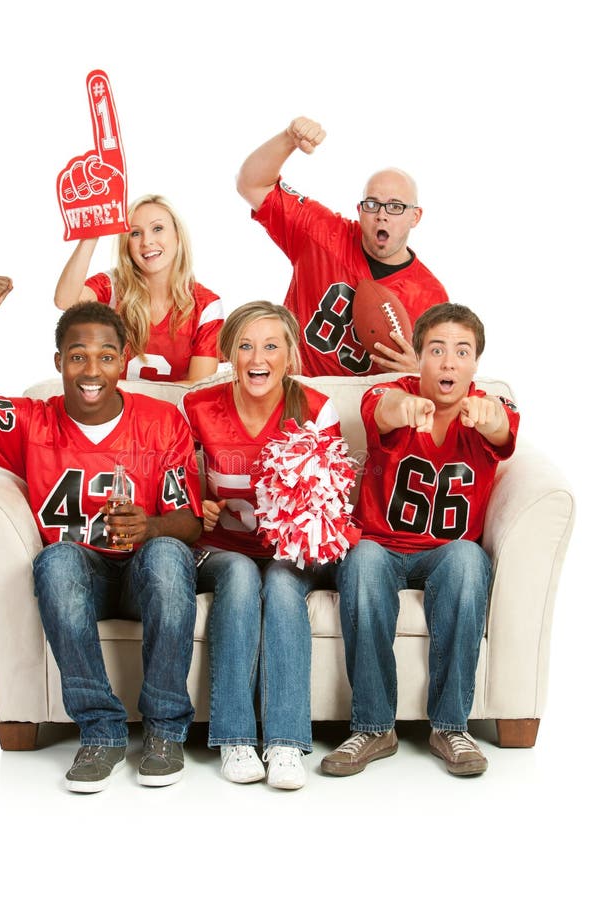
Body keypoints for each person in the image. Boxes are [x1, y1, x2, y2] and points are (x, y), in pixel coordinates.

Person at [0, 276, 203, 792]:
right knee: (56, 560)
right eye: (77, 356)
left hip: (143, 571)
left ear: (124, 361)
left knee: (166, 553)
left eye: (105, 356)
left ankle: (164, 728)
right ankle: (100, 729)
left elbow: (191, 523)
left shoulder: (162, 421)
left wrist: (152, 524)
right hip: (81, 580)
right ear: (58, 363)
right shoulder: (32, 420)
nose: (91, 370)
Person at [322, 302, 519, 778]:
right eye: (436, 350)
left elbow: (503, 429)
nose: (448, 362)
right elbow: (383, 412)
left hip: (446, 554)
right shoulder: (389, 393)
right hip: (382, 545)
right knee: (362, 560)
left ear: (475, 364)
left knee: (471, 561)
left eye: (461, 351)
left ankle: (451, 725)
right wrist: (404, 408)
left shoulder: (492, 405)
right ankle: (373, 726)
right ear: (419, 357)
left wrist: (486, 418)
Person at [179, 301, 341, 790]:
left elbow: (330, 505)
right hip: (221, 549)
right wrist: (196, 506)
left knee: (281, 582)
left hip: (289, 553)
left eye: (271, 346)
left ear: (290, 355)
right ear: (228, 352)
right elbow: (175, 488)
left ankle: (287, 743)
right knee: (243, 573)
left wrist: (305, 514)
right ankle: (235, 738)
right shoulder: (198, 406)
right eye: (246, 345)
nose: (258, 357)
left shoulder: (315, 408)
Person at [236, 116, 448, 377]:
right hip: (295, 387)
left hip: (367, 406)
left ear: (415, 217)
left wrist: (421, 371)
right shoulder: (324, 233)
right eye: (372, 204)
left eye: (395, 207)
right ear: (360, 211)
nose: (382, 215)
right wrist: (288, 139)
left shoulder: (430, 295)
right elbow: (252, 184)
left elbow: (446, 377)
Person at [54, 193, 224, 384]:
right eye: (135, 233)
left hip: (172, 413)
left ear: (178, 236)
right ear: (126, 244)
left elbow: (198, 387)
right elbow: (65, 301)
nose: (146, 242)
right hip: (113, 412)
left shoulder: (206, 305)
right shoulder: (112, 286)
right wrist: (91, 236)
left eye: (157, 228)